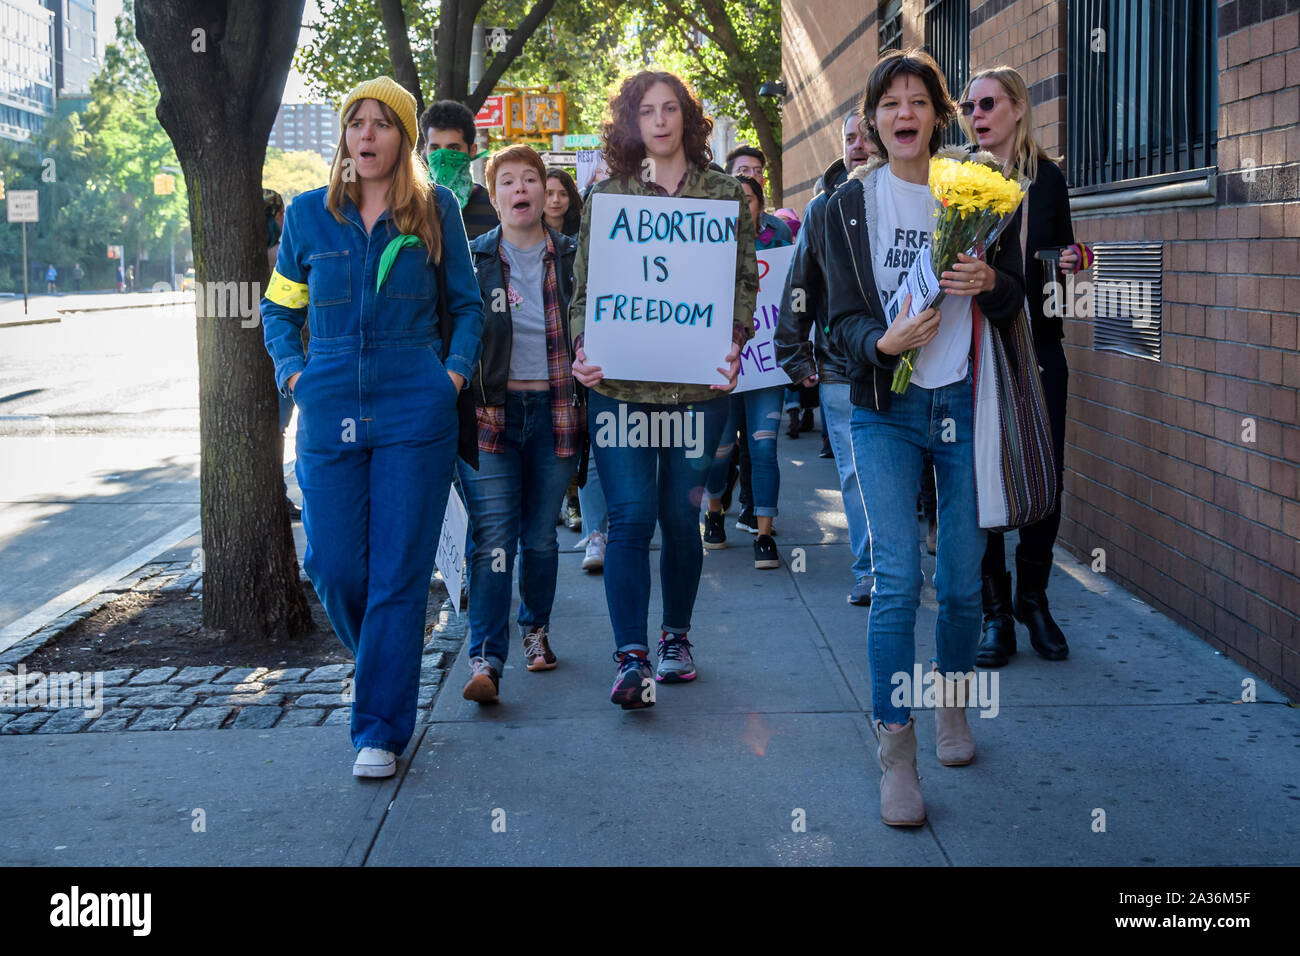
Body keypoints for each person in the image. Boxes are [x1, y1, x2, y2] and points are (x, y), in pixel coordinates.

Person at [261, 76, 483, 779]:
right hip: (328, 406)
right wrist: (295, 373)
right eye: (355, 122)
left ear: (404, 138)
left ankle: (379, 730)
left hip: (414, 409)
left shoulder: (435, 210)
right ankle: (384, 663)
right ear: (343, 137)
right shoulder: (307, 216)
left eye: (381, 123)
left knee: (397, 571)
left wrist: (446, 377)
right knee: (331, 564)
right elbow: (279, 310)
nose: (366, 134)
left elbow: (470, 309)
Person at [824, 49, 1024, 826]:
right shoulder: (844, 206)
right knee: (898, 583)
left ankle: (951, 708)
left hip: (965, 403)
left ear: (937, 115)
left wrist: (993, 284)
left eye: (918, 101)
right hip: (884, 410)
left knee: (966, 583)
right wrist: (882, 342)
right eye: (888, 102)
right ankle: (896, 747)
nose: (903, 113)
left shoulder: (980, 194)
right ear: (872, 120)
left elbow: (1023, 300)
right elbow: (833, 319)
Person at [570, 70, 758, 707]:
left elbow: (742, 286)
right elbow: (582, 295)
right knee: (628, 520)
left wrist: (733, 341)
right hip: (619, 390)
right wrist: (581, 351)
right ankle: (631, 659)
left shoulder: (726, 194)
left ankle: (676, 638)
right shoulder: (606, 200)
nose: (658, 119)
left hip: (698, 394)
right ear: (631, 123)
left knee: (682, 518)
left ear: (687, 119)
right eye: (645, 110)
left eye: (669, 108)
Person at [958, 66, 1091, 667]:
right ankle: (994, 614)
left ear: (1016, 108)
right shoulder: (959, 177)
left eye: (986, 103)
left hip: (1037, 345)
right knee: (981, 475)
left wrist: (1075, 258)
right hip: (976, 346)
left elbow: (1064, 255)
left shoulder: (1048, 178)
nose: (976, 114)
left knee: (1045, 468)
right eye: (967, 106)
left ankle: (1033, 598)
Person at [458, 145, 582, 704]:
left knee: (539, 538)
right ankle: (485, 657)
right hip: (490, 420)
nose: (520, 189)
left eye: (530, 178)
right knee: (491, 540)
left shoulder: (575, 257)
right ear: (494, 194)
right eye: (506, 181)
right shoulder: (472, 260)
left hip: (556, 413)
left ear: (543, 190)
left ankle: (536, 631)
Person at [776, 110, 877, 606]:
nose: (856, 146)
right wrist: (795, 356)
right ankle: (872, 570)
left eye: (865, 136)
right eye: (848, 138)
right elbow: (799, 286)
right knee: (857, 471)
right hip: (841, 368)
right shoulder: (821, 210)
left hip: (916, 364)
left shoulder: (921, 194)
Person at [701, 173, 791, 569]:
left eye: (749, 199)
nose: (742, 205)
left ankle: (765, 535)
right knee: (720, 451)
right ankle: (716, 510)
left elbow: (794, 295)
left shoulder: (780, 240)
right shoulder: (708, 243)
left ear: (761, 204)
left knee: (764, 446)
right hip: (721, 366)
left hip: (766, 368)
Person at [420, 99, 499, 239]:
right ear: (425, 150)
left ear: (472, 150)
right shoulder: (410, 205)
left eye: (453, 148)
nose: (443, 156)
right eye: (435, 148)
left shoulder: (496, 208)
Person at [544, 167, 583, 238]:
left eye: (563, 194)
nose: (556, 200)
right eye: (549, 194)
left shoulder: (585, 230)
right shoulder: (525, 230)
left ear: (571, 198)